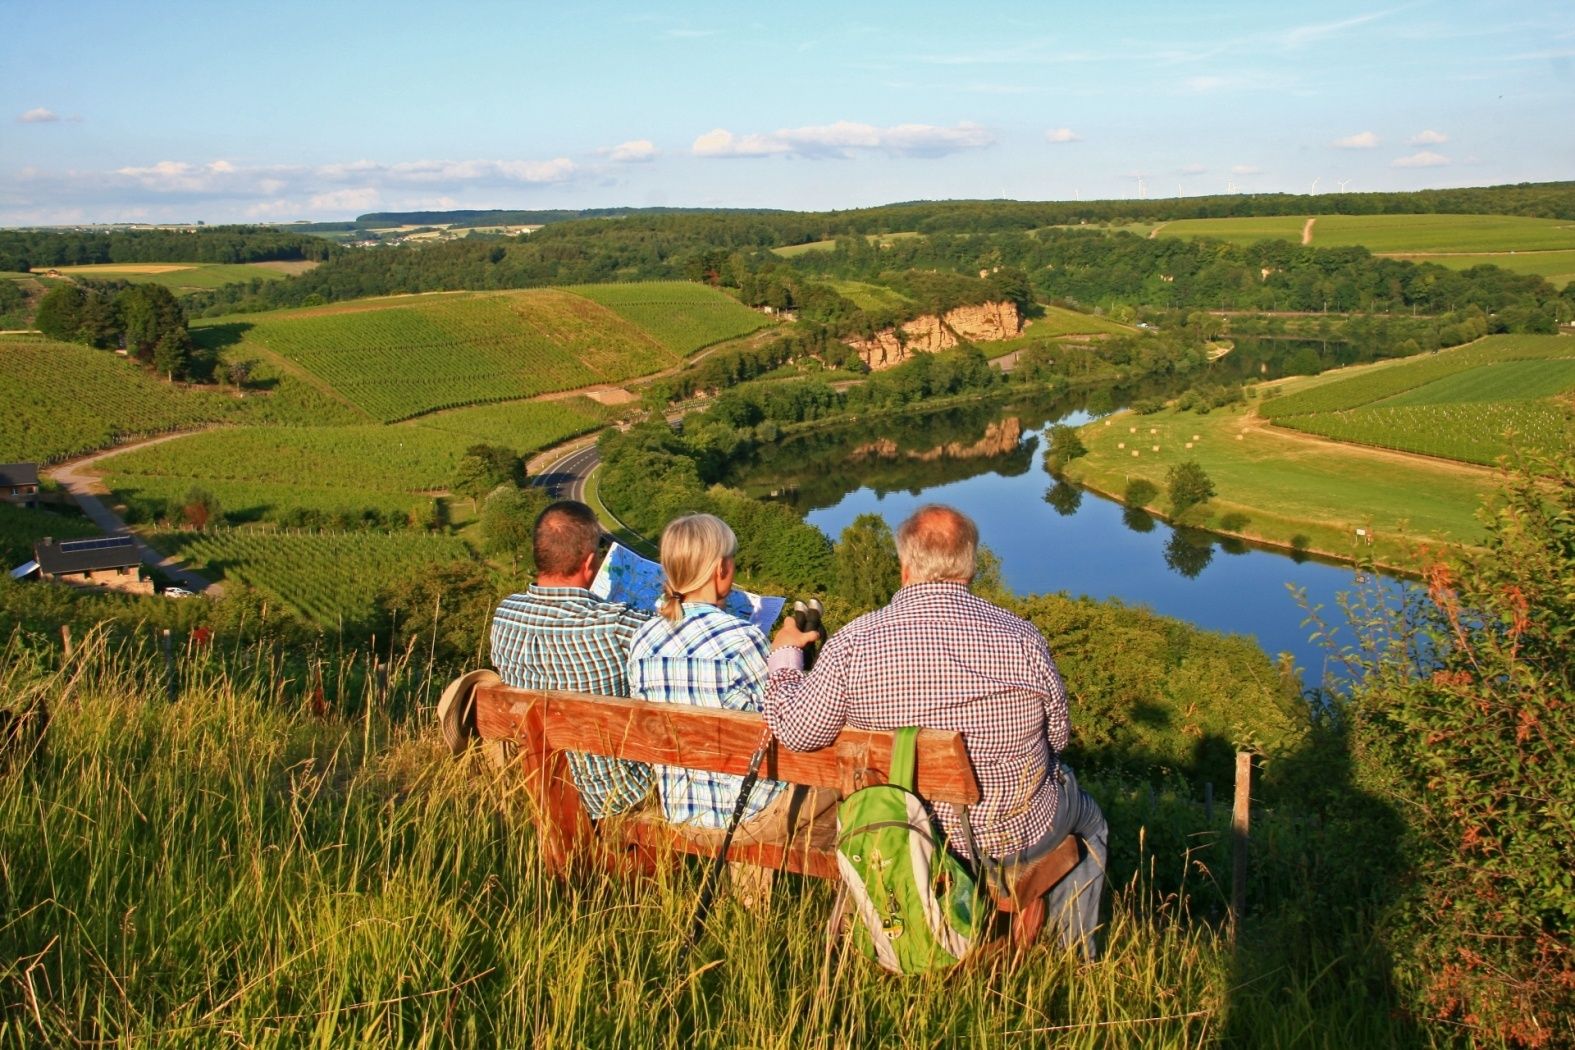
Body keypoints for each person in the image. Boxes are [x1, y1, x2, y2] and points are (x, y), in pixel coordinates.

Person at [764, 503, 1108, 959]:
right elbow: (1059, 738)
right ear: (969, 565)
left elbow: (797, 731)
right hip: (1012, 835)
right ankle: (1076, 957)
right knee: (1092, 820)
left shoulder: (855, 643)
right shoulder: (1022, 638)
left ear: (905, 567)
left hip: (899, 834)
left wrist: (787, 658)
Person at [626, 513, 834, 899]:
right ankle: (764, 906)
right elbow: (790, 725)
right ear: (721, 571)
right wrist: (787, 652)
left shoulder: (643, 640)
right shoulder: (742, 639)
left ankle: (746, 909)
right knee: (850, 780)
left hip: (680, 811)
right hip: (748, 817)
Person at [490, 499, 654, 819]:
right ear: (590, 563)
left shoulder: (505, 614)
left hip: (540, 787)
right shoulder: (617, 624)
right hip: (615, 796)